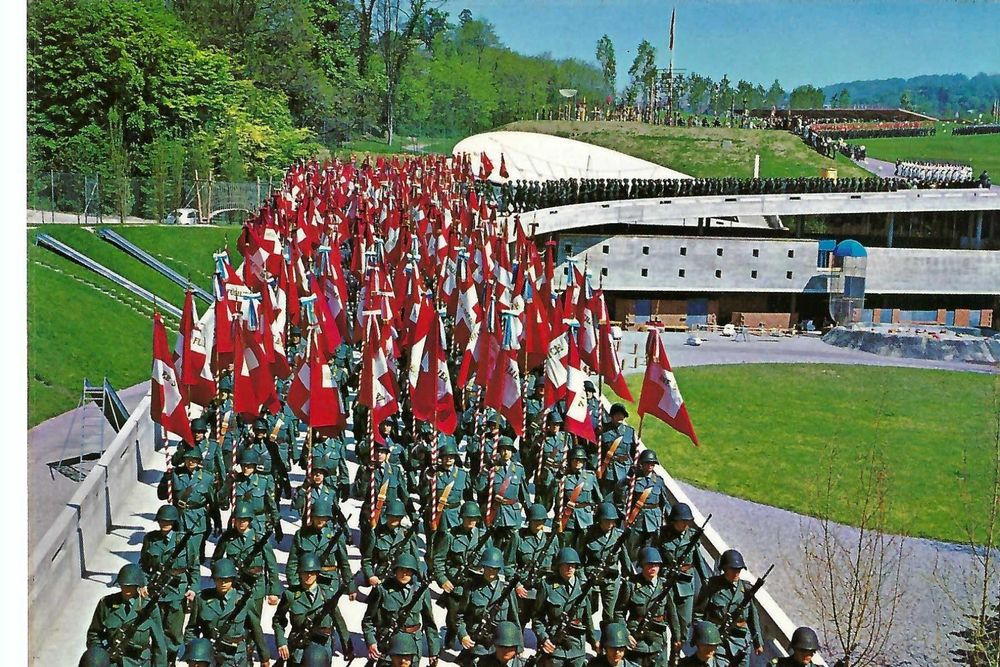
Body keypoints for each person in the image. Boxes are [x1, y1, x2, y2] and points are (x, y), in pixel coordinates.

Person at [286, 503, 356, 658]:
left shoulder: (335, 536)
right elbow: (292, 563)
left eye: (324, 518)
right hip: (307, 579)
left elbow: (343, 562)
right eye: (317, 517)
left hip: (328, 581)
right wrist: (295, 584)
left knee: (331, 612)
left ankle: (344, 646)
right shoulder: (301, 535)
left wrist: (350, 585)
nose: (320, 520)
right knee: (305, 613)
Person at [140, 504, 200, 663]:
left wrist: (193, 588)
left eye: (168, 521)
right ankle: (158, 660)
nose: (164, 524)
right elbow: (143, 565)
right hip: (156, 589)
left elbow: (194, 567)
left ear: (174, 522)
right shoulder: (150, 539)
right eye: (161, 521)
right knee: (155, 628)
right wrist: (144, 584)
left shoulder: (185, 540)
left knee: (174, 631)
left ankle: (171, 659)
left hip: (177, 590)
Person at [183, 558, 271, 666]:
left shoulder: (244, 601)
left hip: (235, 657)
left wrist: (264, 657)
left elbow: (256, 629)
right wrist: (193, 653)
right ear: (214, 579)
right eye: (219, 579)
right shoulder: (202, 599)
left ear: (233, 579)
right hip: (210, 655)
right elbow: (192, 629)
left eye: (227, 579)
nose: (223, 583)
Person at [432, 501, 495, 648]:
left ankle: (471, 645)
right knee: (453, 618)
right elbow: (438, 559)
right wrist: (442, 579)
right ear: (461, 518)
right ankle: (449, 642)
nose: (471, 521)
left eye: (474, 518)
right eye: (468, 517)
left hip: (476, 584)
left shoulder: (483, 536)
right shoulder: (450, 535)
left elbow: (491, 559)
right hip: (457, 585)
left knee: (474, 616)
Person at [362, 553, 440, 666]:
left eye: (408, 570)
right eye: (401, 570)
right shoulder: (383, 590)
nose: (404, 574)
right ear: (395, 570)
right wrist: (371, 642)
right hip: (389, 644)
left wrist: (434, 652)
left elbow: (429, 623)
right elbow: (368, 620)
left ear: (413, 572)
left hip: (412, 645)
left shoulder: (421, 591)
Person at [86, 563, 168, 667]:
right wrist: (100, 657)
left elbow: (159, 643)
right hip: (114, 662)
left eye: (130, 586)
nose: (126, 590)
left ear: (138, 586)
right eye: (123, 586)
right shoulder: (107, 604)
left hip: (140, 663)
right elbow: (94, 634)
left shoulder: (148, 607)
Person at [692, 550, 764, 667]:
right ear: (724, 569)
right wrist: (703, 637)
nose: (736, 573)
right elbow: (698, 614)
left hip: (740, 641)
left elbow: (753, 617)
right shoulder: (712, 586)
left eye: (739, 570)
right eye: (733, 569)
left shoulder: (746, 589)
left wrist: (758, 642)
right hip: (717, 639)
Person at [655, 503, 712, 645]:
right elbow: (654, 557)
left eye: (687, 521)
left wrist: (706, 580)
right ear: (674, 520)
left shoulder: (692, 536)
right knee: (661, 618)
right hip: (666, 581)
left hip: (685, 584)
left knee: (684, 621)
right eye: (682, 521)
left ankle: (678, 647)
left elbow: (698, 559)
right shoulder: (662, 534)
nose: (686, 524)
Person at [211, 502, 281, 618]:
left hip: (255, 586)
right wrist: (221, 578)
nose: (241, 523)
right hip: (234, 587)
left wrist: (274, 591)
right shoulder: (228, 538)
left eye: (244, 520)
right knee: (234, 620)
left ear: (249, 520)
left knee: (253, 621)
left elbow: (272, 565)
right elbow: (215, 560)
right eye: (238, 520)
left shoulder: (259, 538)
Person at [532, 547, 599, 667]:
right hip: (555, 646)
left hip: (577, 647)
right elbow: (537, 617)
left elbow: (588, 618)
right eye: (566, 565)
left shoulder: (583, 588)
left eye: (573, 565)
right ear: (559, 566)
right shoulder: (547, 585)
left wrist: (594, 642)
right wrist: (544, 638)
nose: (570, 568)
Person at [455, 547, 522, 665]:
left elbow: (515, 621)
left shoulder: (506, 590)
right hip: (477, 644)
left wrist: (518, 647)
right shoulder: (472, 588)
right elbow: (459, 616)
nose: (491, 571)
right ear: (483, 566)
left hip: (499, 647)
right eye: (489, 567)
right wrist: (463, 635)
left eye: (495, 568)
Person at [614, 547, 680, 667]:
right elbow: (619, 612)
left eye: (656, 565)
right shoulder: (631, 585)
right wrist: (625, 634)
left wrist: (677, 638)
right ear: (642, 565)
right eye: (649, 564)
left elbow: (672, 613)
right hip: (637, 638)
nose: (653, 568)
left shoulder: (665, 586)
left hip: (658, 639)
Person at [273, 554, 341, 664]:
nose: (309, 576)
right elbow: (278, 620)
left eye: (312, 572)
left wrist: (348, 646)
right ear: (300, 573)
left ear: (317, 573)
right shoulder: (291, 595)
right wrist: (281, 642)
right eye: (305, 572)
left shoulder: (327, 595)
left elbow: (338, 620)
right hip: (298, 648)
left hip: (321, 649)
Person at [157, 444, 220, 562]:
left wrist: (217, 522)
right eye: (188, 459)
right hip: (179, 519)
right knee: (178, 554)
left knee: (194, 555)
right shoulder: (175, 474)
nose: (191, 462)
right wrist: (165, 481)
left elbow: (213, 502)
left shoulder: (207, 478)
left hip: (197, 521)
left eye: (194, 459)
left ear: (199, 460)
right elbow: (161, 495)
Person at [582, 503, 631, 627]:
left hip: (611, 578)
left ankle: (607, 636)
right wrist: (582, 577)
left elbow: (625, 559)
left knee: (610, 614)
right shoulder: (588, 533)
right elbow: (580, 558)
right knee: (588, 610)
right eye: (606, 521)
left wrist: (629, 577)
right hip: (592, 577)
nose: (609, 524)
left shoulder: (619, 536)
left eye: (612, 521)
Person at [477, 436, 529, 555]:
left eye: (508, 449)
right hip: (496, 510)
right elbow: (479, 488)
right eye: (503, 449)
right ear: (499, 451)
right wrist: (486, 470)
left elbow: (524, 493)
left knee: (513, 541)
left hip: (512, 511)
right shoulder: (492, 468)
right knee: (494, 540)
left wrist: (529, 511)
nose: (506, 452)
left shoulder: (519, 469)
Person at [617, 450, 669, 562]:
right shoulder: (634, 479)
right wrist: (627, 478)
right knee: (632, 549)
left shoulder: (658, 481)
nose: (650, 466)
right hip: (637, 519)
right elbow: (619, 491)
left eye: (652, 463)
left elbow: (664, 502)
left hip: (653, 519)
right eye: (648, 463)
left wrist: (670, 518)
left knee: (649, 550)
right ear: (642, 464)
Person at [221, 450, 280, 540]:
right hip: (238, 522)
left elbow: (272, 504)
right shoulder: (236, 481)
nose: (246, 468)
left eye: (249, 466)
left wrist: (277, 525)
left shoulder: (264, 481)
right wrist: (227, 484)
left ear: (255, 466)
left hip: (257, 523)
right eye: (243, 465)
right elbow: (221, 500)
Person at [361, 499, 423, 587]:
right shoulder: (377, 534)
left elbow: (415, 557)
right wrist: (370, 576)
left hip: (403, 576)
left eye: (397, 517)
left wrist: (421, 578)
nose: (394, 519)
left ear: (401, 518)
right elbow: (367, 560)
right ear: (386, 516)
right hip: (383, 577)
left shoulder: (407, 534)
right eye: (391, 516)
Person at [555, 446, 602, 554]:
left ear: (584, 462)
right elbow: (557, 499)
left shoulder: (590, 476)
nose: (577, 462)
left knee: (583, 547)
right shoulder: (564, 477)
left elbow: (599, 498)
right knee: (565, 545)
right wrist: (558, 478)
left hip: (585, 517)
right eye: (575, 460)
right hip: (569, 517)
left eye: (580, 460)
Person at [597, 404, 634, 497]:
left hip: (625, 469)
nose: (620, 417)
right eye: (617, 414)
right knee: (606, 497)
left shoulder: (630, 431)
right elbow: (596, 450)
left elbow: (633, 452)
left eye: (622, 415)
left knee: (622, 497)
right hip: (609, 469)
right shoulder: (603, 430)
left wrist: (633, 469)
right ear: (612, 416)